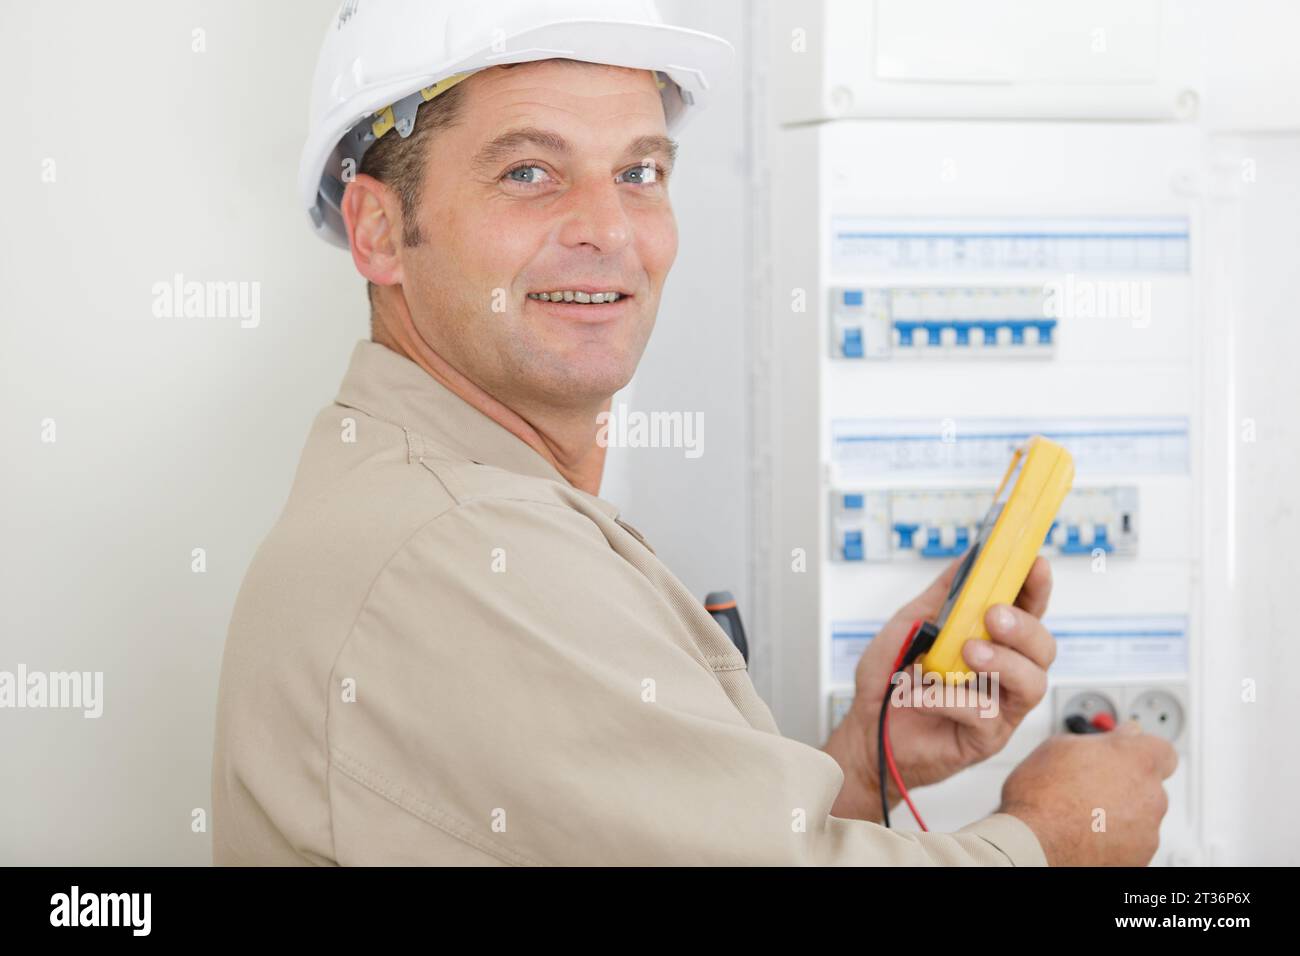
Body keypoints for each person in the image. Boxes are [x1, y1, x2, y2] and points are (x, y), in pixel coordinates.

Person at [211, 0, 1176, 865]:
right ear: (378, 229)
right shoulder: (462, 548)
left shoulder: (449, 503)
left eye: (639, 171)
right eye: (529, 171)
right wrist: (1056, 839)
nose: (610, 228)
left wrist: (866, 760)